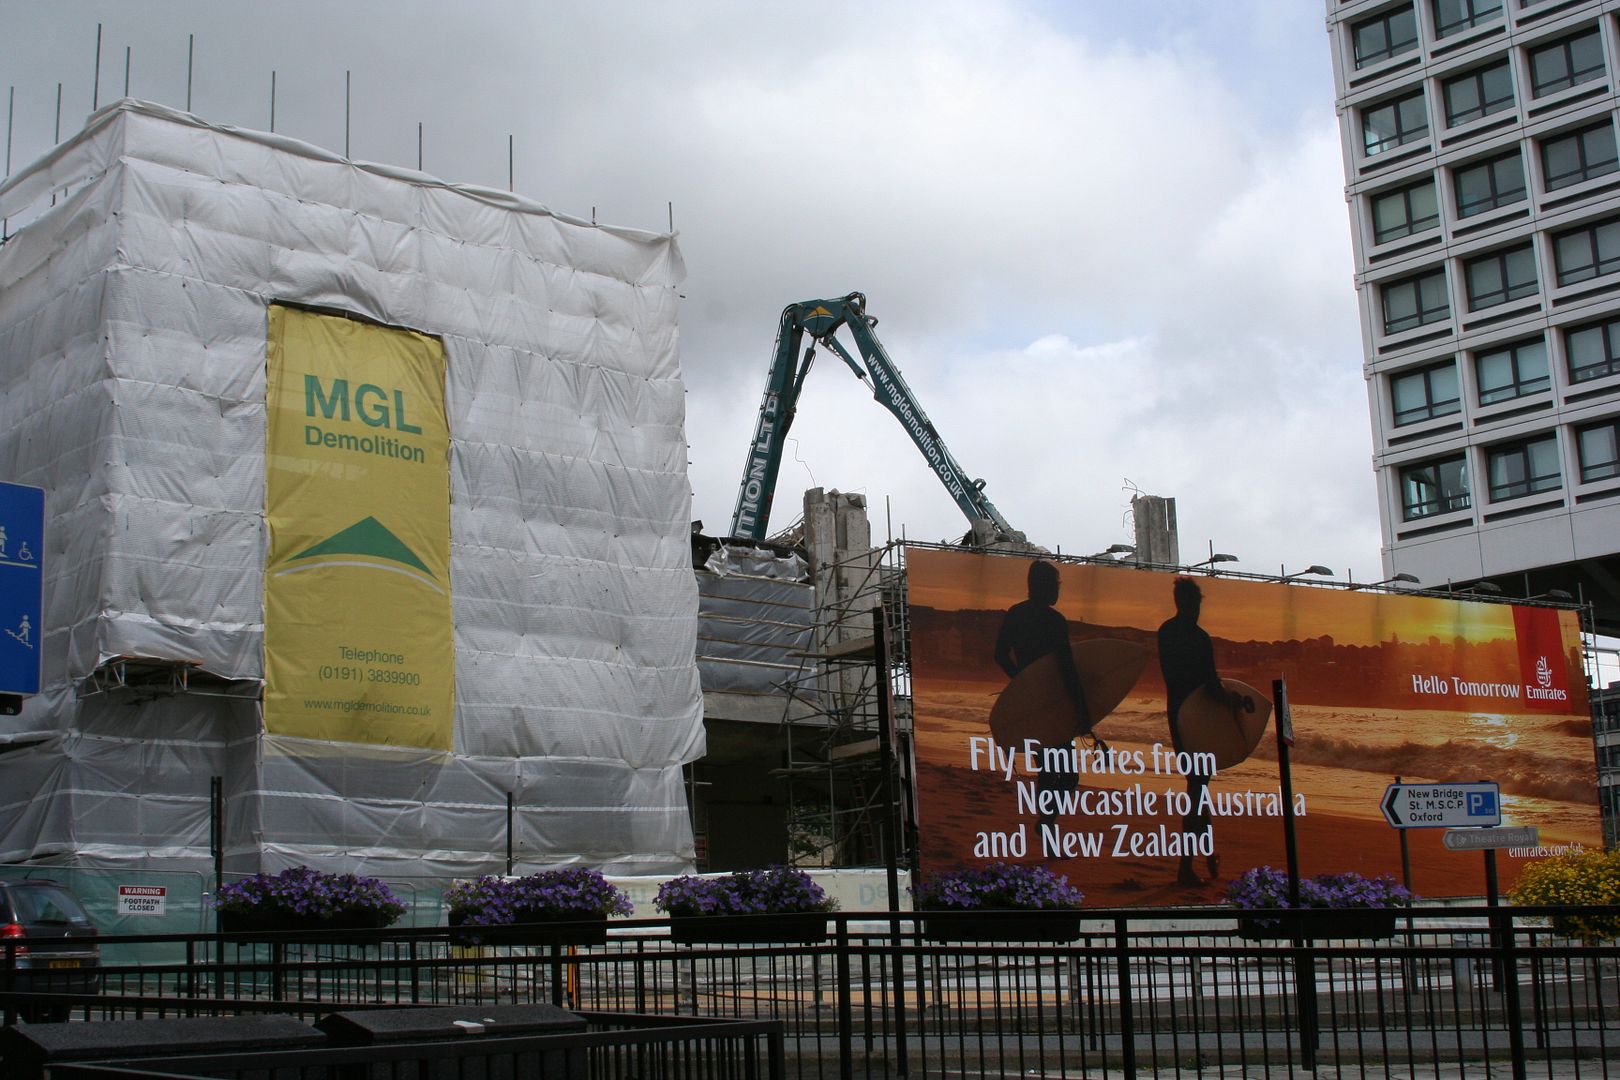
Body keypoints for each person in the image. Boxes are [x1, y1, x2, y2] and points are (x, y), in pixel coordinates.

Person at [994, 561, 1095, 817]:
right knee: (1067, 776)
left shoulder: (1016, 613)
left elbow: (1000, 655)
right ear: (1045, 586)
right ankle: (1047, 822)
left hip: (1031, 702)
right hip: (1054, 704)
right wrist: (1082, 710)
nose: (1058, 590)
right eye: (1056, 584)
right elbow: (1067, 668)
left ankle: (1046, 822)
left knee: (1047, 771)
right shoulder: (1054, 621)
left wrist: (1021, 679)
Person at [1156, 577, 1237, 887]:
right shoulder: (1199, 638)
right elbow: (1210, 685)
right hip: (1199, 722)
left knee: (1198, 789)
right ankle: (1187, 867)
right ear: (1191, 603)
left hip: (1177, 718)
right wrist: (1232, 701)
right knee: (1197, 791)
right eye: (1197, 603)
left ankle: (1206, 855)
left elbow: (1175, 679)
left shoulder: (1165, 632)